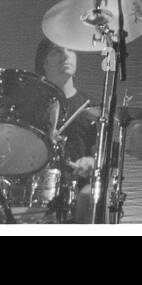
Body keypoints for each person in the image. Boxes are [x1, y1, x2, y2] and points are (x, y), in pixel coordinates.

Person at [34, 38, 98, 181]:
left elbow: (103, 156)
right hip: (35, 184)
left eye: (70, 50)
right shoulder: (32, 105)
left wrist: (92, 162)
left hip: (78, 189)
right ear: (44, 63)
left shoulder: (92, 106)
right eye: (57, 51)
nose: (66, 56)